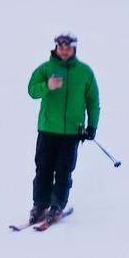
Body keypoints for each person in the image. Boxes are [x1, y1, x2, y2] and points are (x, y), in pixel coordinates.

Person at [26, 32, 97, 224]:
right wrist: (47, 86)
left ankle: (57, 206)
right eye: (61, 47)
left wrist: (92, 126)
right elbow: (32, 90)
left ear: (74, 49)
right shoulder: (46, 69)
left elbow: (93, 101)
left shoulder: (85, 72)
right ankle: (40, 205)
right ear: (56, 48)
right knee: (43, 169)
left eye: (68, 47)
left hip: (72, 132)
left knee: (64, 170)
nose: (64, 51)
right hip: (48, 129)